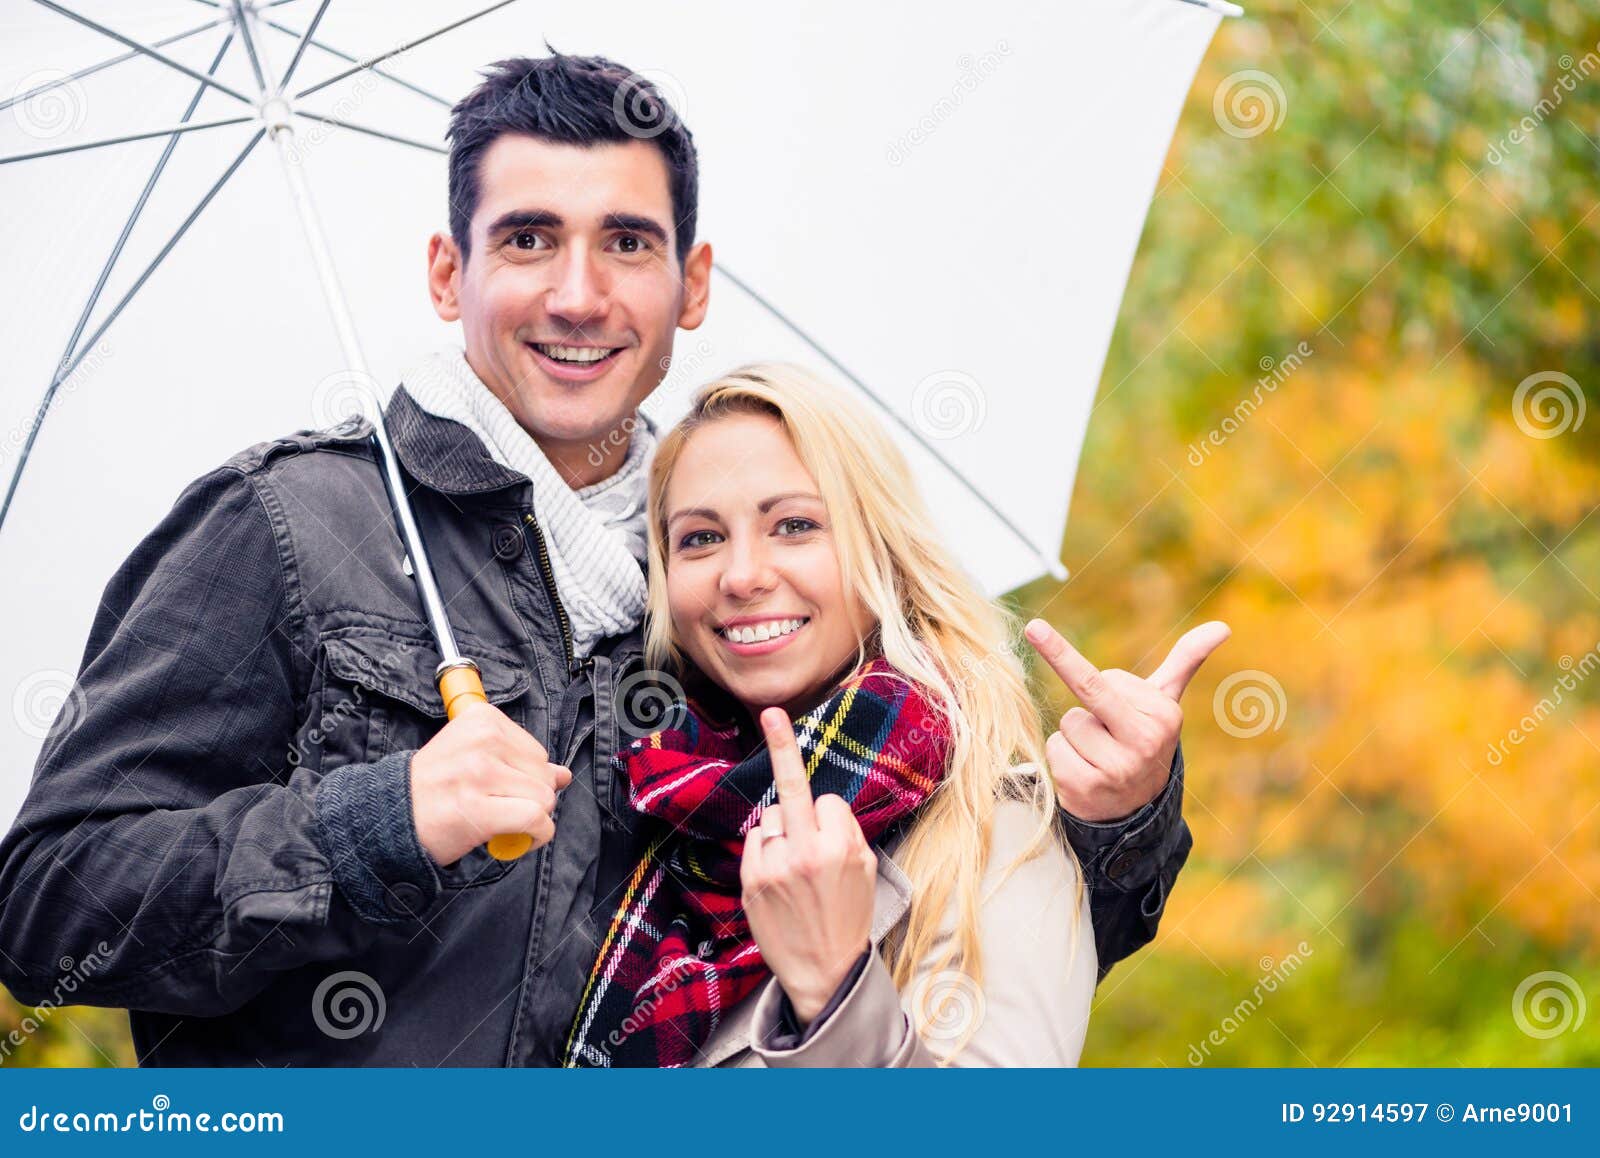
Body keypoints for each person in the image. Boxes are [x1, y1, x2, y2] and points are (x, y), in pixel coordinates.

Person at [0, 53, 1202, 1067]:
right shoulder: (285, 527)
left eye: (625, 243)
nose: (578, 294)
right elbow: (50, 908)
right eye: (527, 239)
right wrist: (376, 823)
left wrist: (1116, 825)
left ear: (688, 285)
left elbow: (952, 917)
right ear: (446, 272)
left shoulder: (722, 573)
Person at [563, 365, 1226, 1067]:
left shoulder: (1000, 839)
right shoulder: (633, 799)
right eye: (700, 538)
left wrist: (832, 988)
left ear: (882, 549)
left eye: (794, 525)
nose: (741, 575)